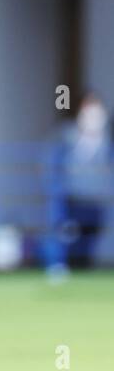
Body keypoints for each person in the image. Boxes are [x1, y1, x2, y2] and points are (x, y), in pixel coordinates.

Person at [57, 92, 113, 268]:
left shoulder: (106, 142)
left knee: (91, 239)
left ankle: (84, 267)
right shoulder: (69, 136)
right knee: (71, 238)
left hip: (96, 200)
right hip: (74, 198)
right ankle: (67, 267)